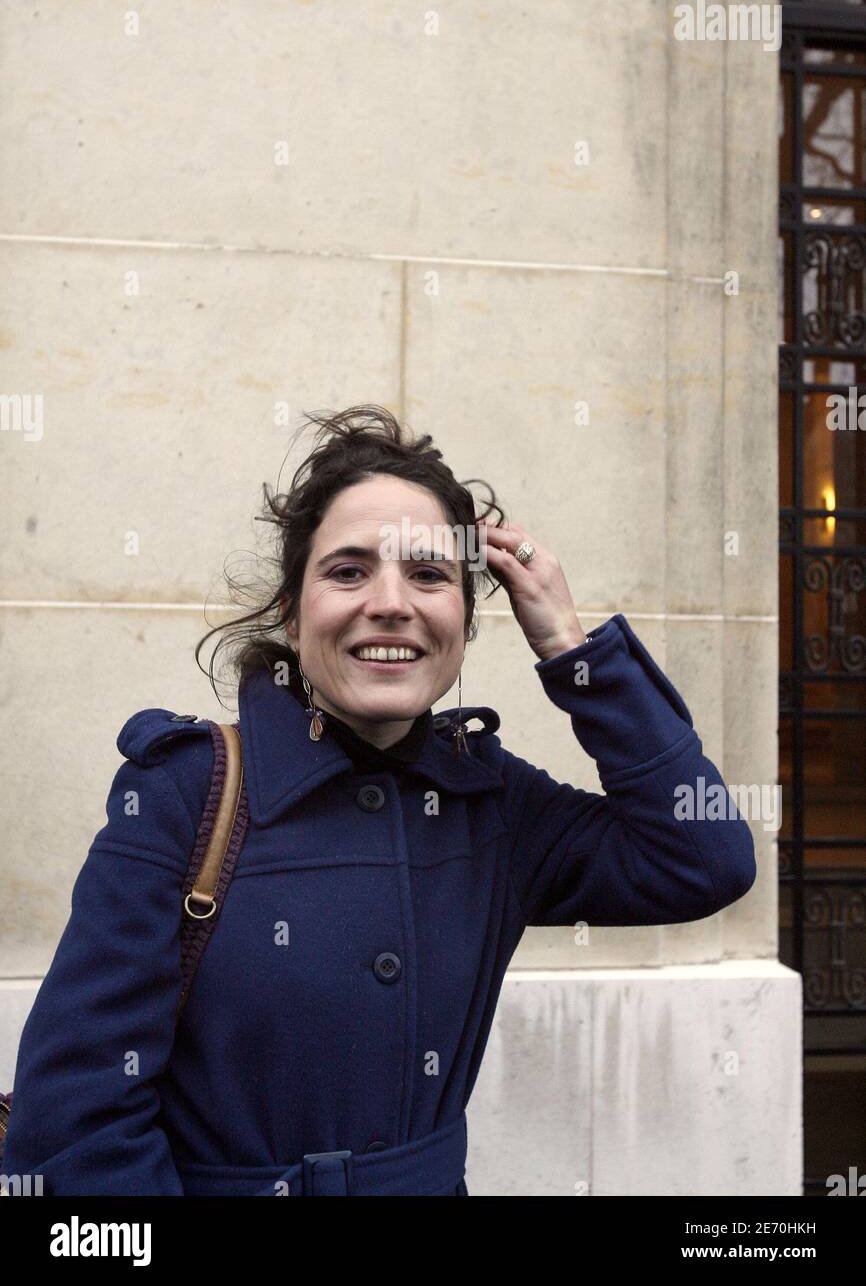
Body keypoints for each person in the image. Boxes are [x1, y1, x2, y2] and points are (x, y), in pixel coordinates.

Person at [3, 405, 756, 1196]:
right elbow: (77, 1122)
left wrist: (572, 648)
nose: (392, 602)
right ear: (293, 617)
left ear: (464, 621)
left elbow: (703, 858)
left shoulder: (492, 801)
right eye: (348, 570)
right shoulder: (184, 793)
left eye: (429, 575)